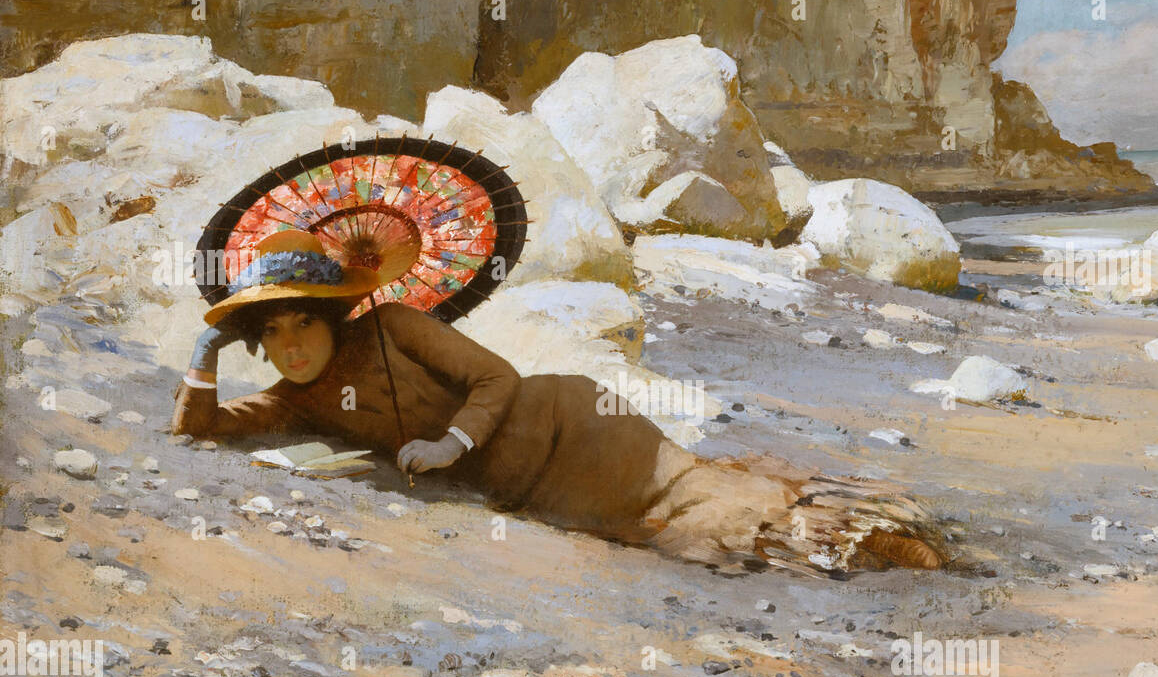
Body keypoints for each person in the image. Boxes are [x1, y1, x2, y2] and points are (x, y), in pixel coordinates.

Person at [173, 230, 946, 574]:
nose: (292, 345)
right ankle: (873, 551)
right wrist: (207, 351)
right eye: (270, 333)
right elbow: (199, 432)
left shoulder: (395, 326)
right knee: (660, 533)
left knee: (690, 494)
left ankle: (900, 548)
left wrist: (451, 449)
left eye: (303, 321)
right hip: (525, 488)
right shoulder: (292, 399)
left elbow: (499, 378)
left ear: (332, 311)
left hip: (563, 425)